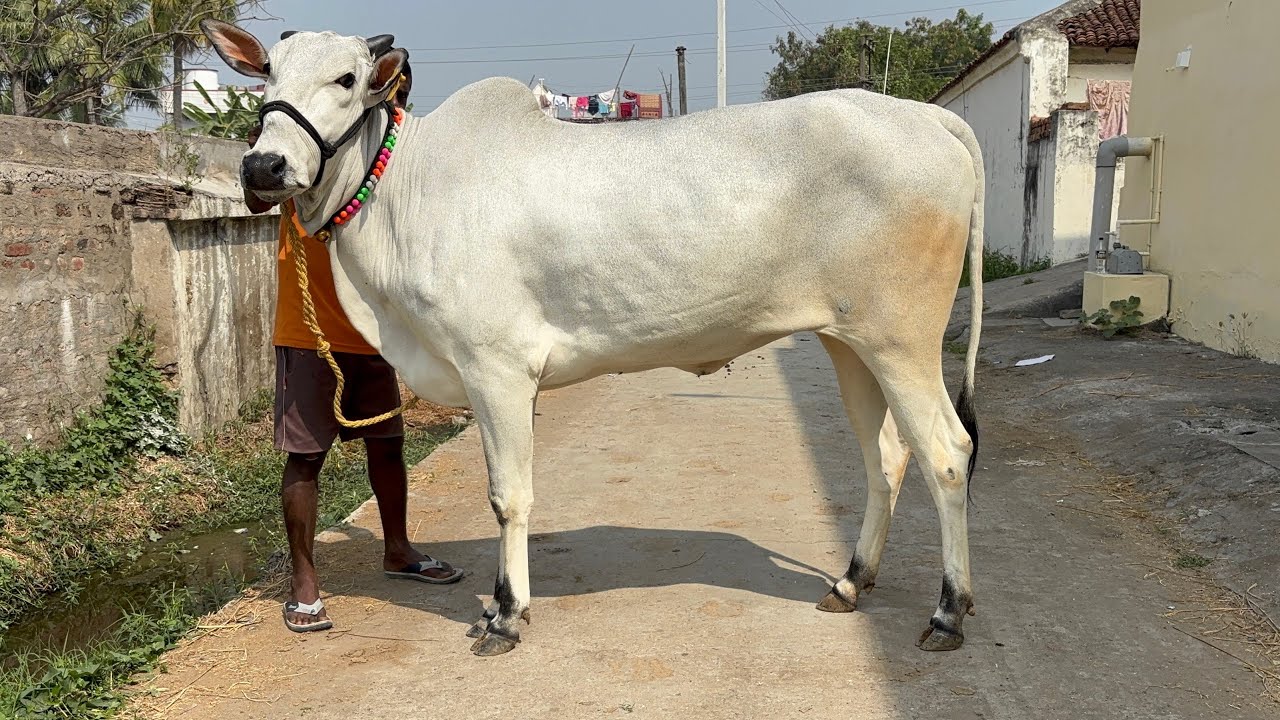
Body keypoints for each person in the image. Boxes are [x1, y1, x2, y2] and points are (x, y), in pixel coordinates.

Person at [245, 66, 461, 633]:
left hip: (371, 328)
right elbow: (256, 200)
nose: (395, 98)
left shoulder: (392, 158)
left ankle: (398, 550)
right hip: (308, 330)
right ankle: (304, 584)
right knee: (306, 458)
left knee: (387, 446)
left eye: (401, 91)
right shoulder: (303, 141)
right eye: (391, 90)